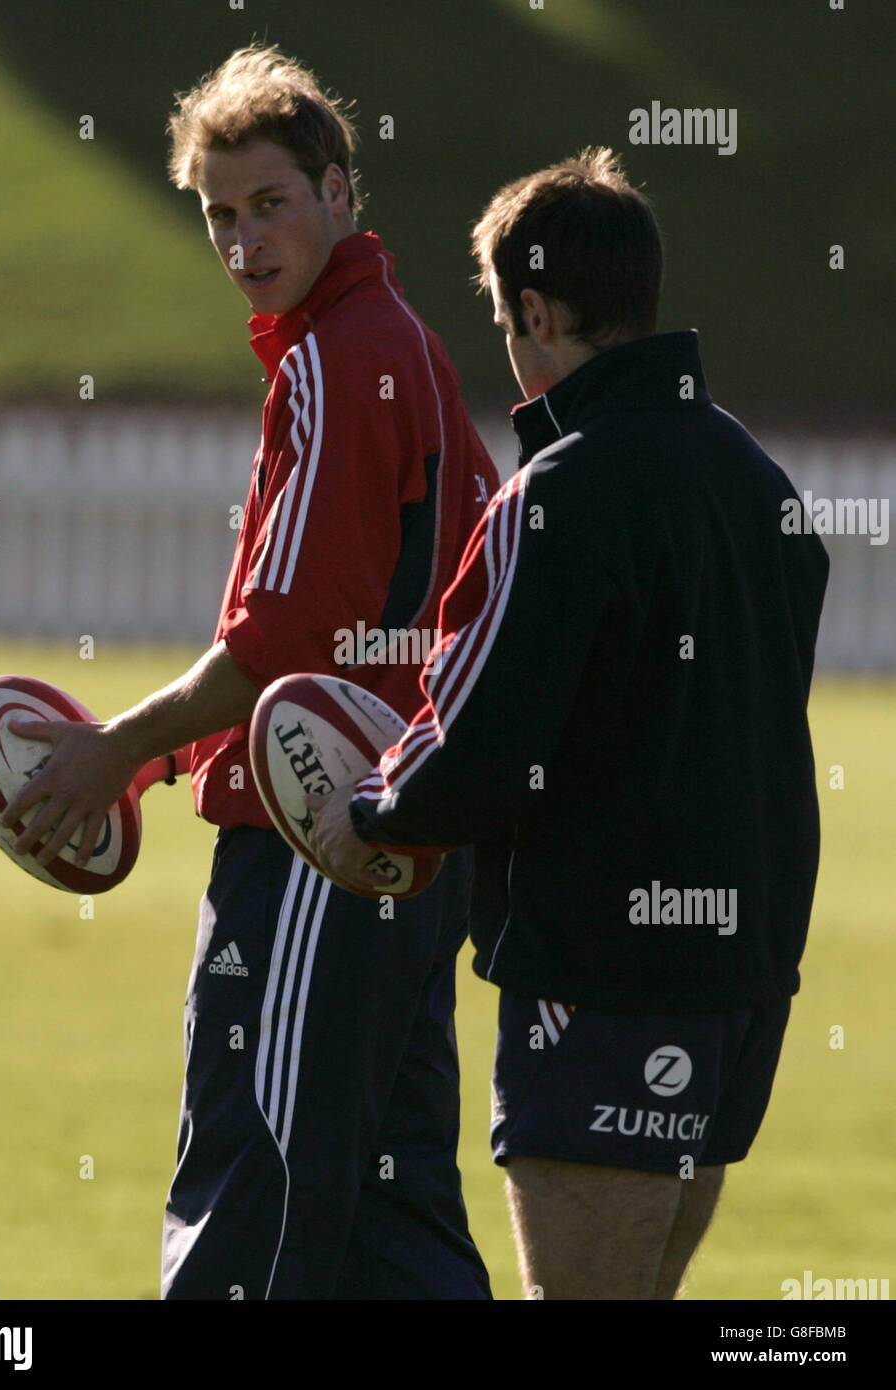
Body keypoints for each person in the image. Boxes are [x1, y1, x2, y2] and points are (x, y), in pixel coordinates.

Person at [1, 44, 498, 1300]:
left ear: (339, 191)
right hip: (405, 829)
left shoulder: (340, 359)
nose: (241, 239)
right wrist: (171, 750)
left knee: (252, 1176)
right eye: (218, 214)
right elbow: (397, 613)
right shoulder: (399, 347)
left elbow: (284, 637)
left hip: (317, 838)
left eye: (269, 203)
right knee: (396, 1210)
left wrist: (121, 746)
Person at [307, 147, 830, 1300]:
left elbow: (485, 743)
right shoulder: (758, 479)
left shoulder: (557, 493)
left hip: (602, 975)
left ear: (535, 309)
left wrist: (371, 813)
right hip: (744, 973)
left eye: (504, 317)